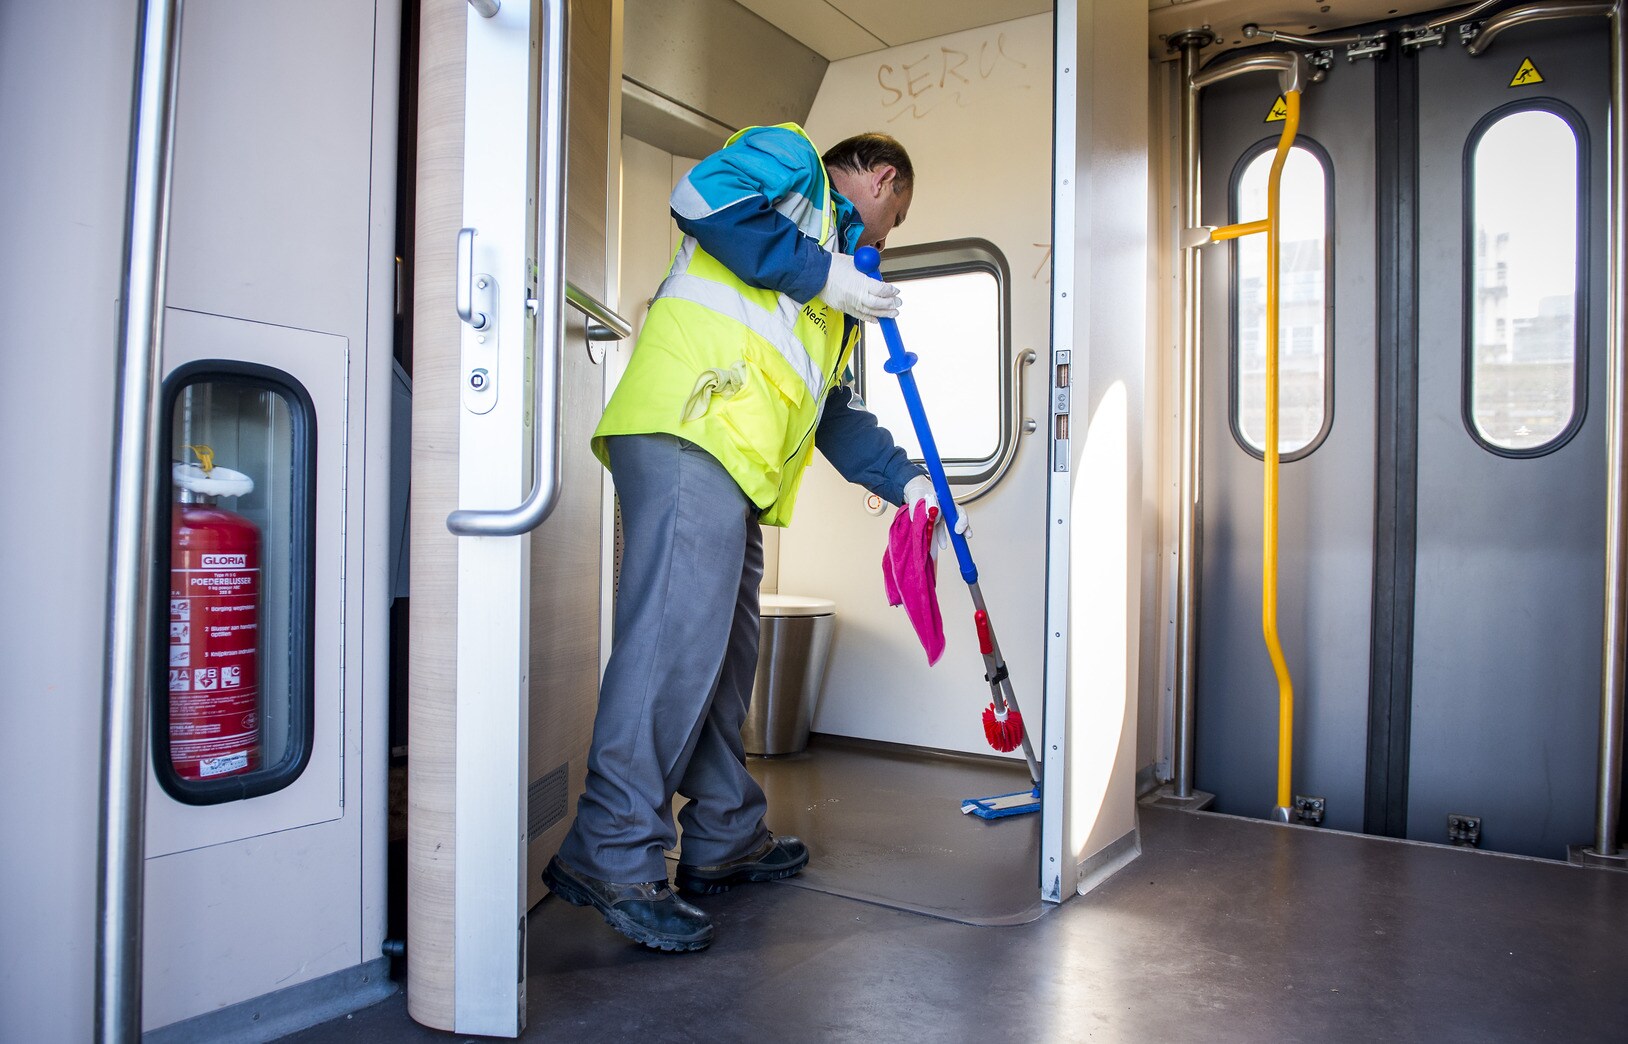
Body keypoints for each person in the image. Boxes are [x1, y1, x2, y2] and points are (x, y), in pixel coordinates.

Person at [542, 125, 951, 952]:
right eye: (893, 215)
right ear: (878, 178)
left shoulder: (835, 296)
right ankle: (613, 852)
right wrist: (824, 270)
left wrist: (907, 481)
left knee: (726, 657)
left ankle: (725, 835)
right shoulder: (794, 161)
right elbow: (698, 200)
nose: (886, 236)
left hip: (736, 468)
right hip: (691, 429)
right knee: (673, 648)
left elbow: (833, 412)